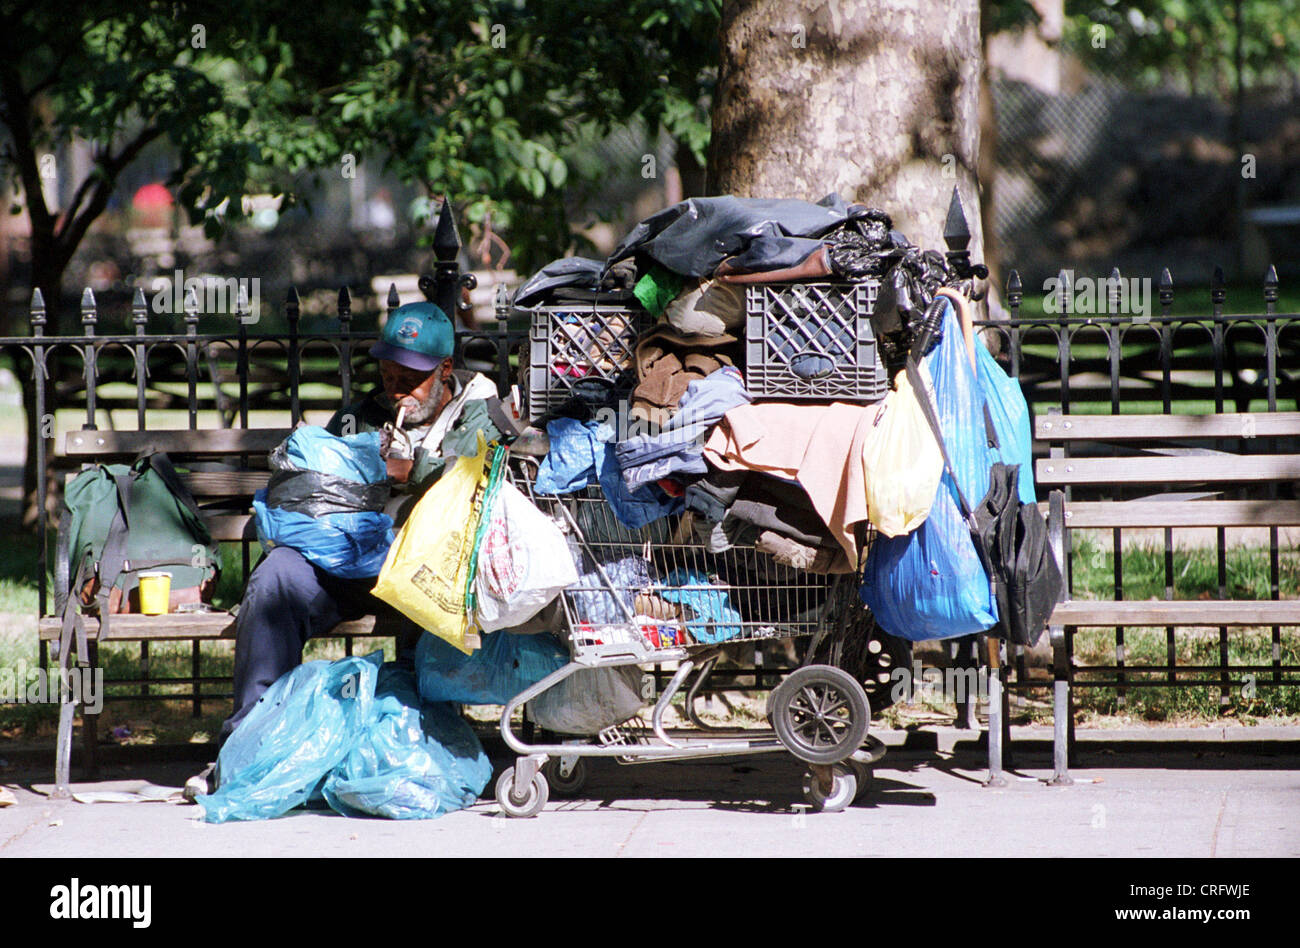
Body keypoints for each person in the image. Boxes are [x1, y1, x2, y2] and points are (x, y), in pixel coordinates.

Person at [186, 302, 501, 800]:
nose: (396, 389)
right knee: (277, 579)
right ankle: (247, 748)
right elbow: (317, 483)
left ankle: (417, 749)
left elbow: (478, 477)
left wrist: (410, 470)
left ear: (445, 371)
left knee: (426, 582)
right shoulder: (360, 416)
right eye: (388, 374)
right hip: (347, 566)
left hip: (424, 569)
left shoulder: (477, 409)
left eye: (410, 379)